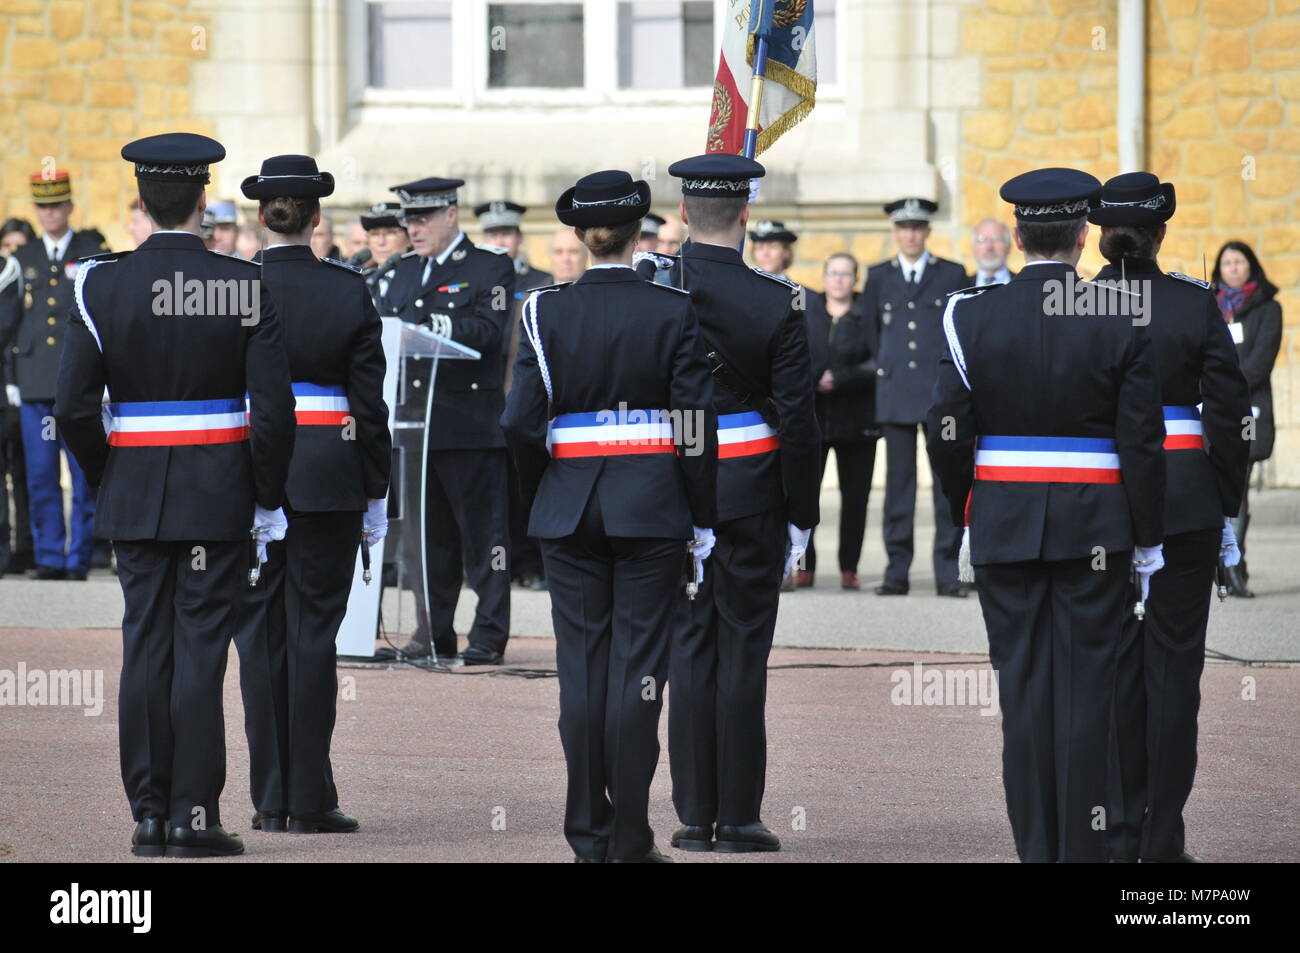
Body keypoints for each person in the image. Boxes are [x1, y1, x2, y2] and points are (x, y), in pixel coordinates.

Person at [55, 132, 295, 857]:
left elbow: (71, 409)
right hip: (215, 490)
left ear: (140, 203)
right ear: (201, 200)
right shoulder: (245, 284)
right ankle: (194, 815)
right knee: (200, 649)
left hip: (136, 487)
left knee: (144, 646)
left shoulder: (98, 283)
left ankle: (149, 812)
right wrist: (266, 494)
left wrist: (108, 471)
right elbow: (274, 412)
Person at [926, 168, 1166, 862]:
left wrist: (965, 510)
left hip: (1004, 523)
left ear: (1021, 235)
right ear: (1084, 235)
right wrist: (1147, 538)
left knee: (1024, 693)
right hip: (1098, 528)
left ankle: (1038, 849)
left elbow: (944, 424)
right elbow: (1141, 441)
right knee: (1090, 692)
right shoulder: (1122, 312)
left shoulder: (968, 313)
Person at [501, 169, 717, 862]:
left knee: (583, 674)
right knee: (640, 675)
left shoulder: (544, 309)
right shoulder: (673, 309)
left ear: (577, 236)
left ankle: (588, 832)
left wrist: (547, 491)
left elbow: (518, 421)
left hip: (568, 508)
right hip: (651, 509)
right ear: (637, 233)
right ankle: (628, 836)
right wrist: (701, 511)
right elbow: (693, 425)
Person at [658, 153, 820, 854]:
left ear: (686, 214)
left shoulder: (657, 289)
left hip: (670, 486)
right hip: (751, 489)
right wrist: (803, 512)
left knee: (690, 649)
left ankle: (694, 813)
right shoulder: (778, 299)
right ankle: (739, 815)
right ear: (747, 217)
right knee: (744, 651)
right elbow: (799, 420)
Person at [1090, 172, 1251, 864]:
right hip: (1185, 506)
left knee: (1106, 673)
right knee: (1173, 676)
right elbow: (1232, 417)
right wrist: (1224, 500)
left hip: (1096, 505)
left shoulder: (1074, 302)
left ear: (1100, 236)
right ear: (1160, 235)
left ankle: (1113, 826)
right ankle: (1160, 839)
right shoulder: (1192, 302)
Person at [233, 154, 391, 836]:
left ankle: (271, 795)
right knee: (312, 638)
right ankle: (309, 793)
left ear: (260, 217)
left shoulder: (233, 287)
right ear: (317, 217)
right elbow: (369, 407)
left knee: (258, 639)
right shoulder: (348, 289)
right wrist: (376, 491)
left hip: (245, 476)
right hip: (329, 477)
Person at [381, 177, 515, 665]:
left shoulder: (489, 266)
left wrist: (434, 327)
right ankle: (434, 633)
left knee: (484, 541)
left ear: (451, 215)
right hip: (415, 432)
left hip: (469, 426)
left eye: (422, 219)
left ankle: (489, 634)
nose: (412, 229)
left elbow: (490, 330)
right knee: (428, 542)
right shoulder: (398, 273)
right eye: (408, 221)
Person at [0, 170, 108, 580]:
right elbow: (11, 325)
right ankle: (49, 556)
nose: (49, 213)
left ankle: (78, 556)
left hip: (77, 384)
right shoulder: (22, 259)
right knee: (42, 474)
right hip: (35, 387)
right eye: (42, 206)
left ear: (69, 206)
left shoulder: (91, 251)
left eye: (56, 204)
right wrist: (12, 378)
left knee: (82, 475)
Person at [864, 197, 968, 597]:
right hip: (895, 395)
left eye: (917, 227)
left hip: (937, 395)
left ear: (927, 232)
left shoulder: (952, 274)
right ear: (896, 233)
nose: (910, 234)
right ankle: (896, 572)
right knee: (898, 487)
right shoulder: (878, 276)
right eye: (904, 228)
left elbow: (957, 332)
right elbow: (872, 331)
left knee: (946, 486)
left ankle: (948, 573)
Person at [475, 199, 553, 592]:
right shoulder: (477, 280)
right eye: (492, 234)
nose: (499, 240)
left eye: (506, 233)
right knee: (492, 492)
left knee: (525, 484)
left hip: (523, 401)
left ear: (520, 237)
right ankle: (494, 565)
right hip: (481, 403)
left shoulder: (540, 281)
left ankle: (529, 562)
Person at [800, 252, 880, 591]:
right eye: (832, 273)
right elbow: (793, 353)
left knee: (855, 498)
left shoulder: (867, 313)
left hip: (857, 421)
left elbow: (880, 358)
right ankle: (804, 564)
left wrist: (842, 378)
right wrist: (815, 377)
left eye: (846, 274)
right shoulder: (806, 309)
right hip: (812, 419)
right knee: (805, 496)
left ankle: (850, 566)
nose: (838, 280)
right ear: (824, 276)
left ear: (855, 279)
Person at [1212, 240, 1283, 599]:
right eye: (1227, 263)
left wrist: (1227, 388)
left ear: (1251, 266)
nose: (1233, 268)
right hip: (1214, 409)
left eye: (1239, 262)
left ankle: (1232, 565)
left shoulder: (1268, 308)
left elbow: (1261, 360)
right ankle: (1232, 562)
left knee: (1239, 482)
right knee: (1227, 485)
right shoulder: (1210, 305)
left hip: (1249, 410)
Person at [0, 219, 35, 575]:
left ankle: (27, 545)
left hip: (28, 385)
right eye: (7, 246)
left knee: (25, 472)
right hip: (5, 385)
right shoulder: (7, 277)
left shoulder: (31, 280)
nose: (12, 254)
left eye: (18, 246)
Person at [359, 201, 409, 307]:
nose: (381, 242)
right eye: (374, 234)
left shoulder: (420, 277)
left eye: (391, 233)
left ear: (409, 238)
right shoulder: (362, 280)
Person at [969, 217, 1015, 286]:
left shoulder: (1022, 285)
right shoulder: (961, 285)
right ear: (973, 248)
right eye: (982, 240)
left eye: (996, 239)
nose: (989, 247)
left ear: (1009, 247)